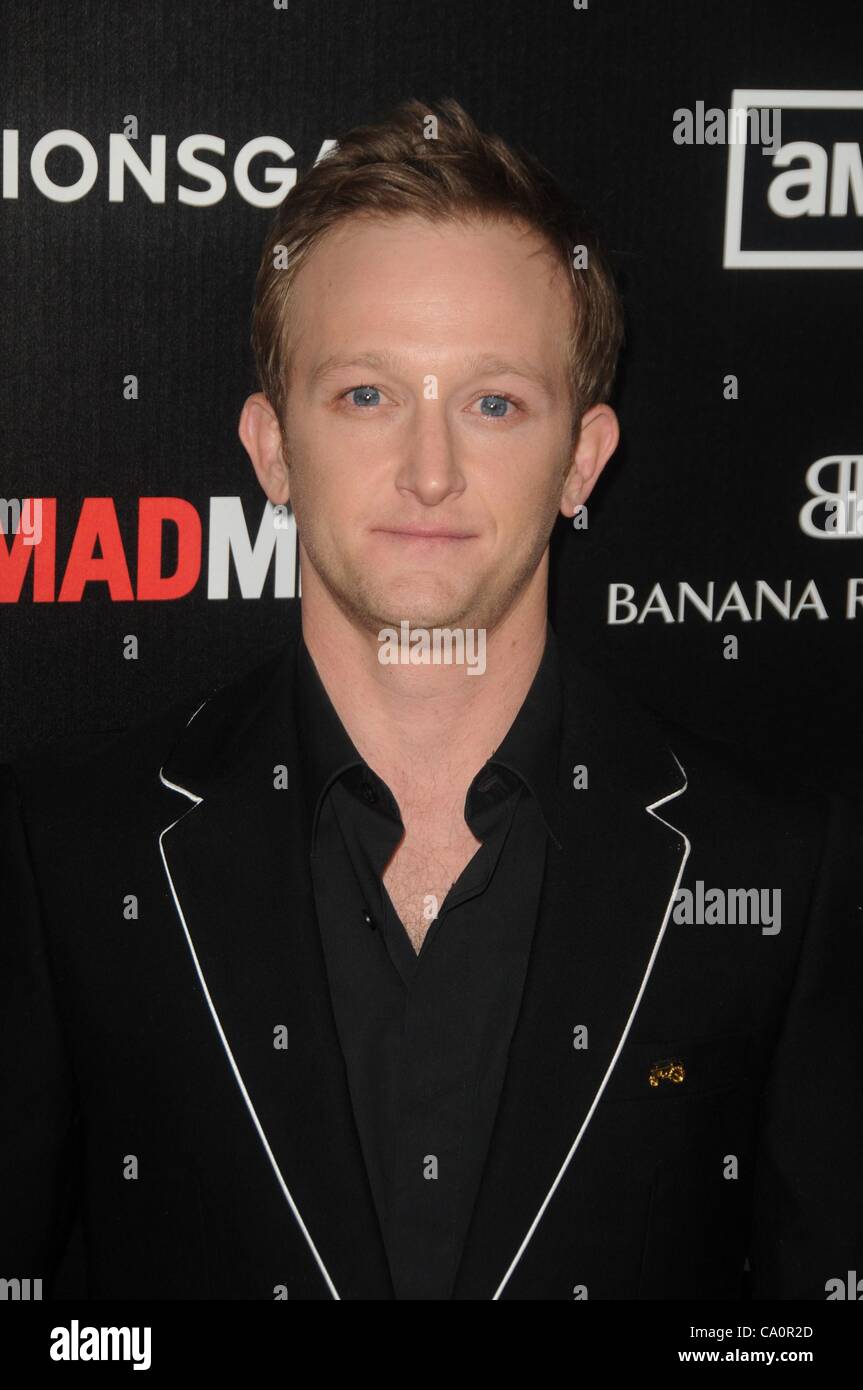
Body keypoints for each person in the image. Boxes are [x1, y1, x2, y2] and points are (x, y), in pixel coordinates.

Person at [2, 97, 860, 1301]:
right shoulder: (68, 853)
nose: (429, 469)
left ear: (582, 459)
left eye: (492, 402)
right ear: (269, 448)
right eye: (365, 394)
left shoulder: (774, 863)